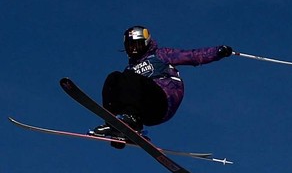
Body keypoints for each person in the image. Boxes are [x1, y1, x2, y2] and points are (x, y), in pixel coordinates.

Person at [94, 26, 235, 140]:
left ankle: (130, 120)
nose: (134, 49)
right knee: (114, 78)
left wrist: (218, 52)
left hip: (163, 99)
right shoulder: (129, 70)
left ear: (146, 42)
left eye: (137, 44)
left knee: (131, 77)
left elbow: (192, 56)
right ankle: (115, 123)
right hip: (146, 113)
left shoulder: (161, 55)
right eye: (130, 46)